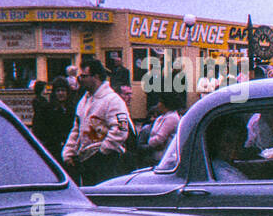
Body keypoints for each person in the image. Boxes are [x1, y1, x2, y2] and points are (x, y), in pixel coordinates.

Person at [62, 58, 131, 186]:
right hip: (86, 160)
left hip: (107, 161)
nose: (80, 79)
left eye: (84, 76)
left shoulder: (113, 100)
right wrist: (68, 152)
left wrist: (103, 151)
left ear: (96, 76)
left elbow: (121, 130)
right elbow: (77, 129)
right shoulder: (84, 100)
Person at [30, 78, 71, 162]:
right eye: (58, 91)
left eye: (63, 90)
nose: (61, 93)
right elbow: (39, 130)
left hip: (69, 151)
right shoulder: (47, 109)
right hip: (53, 150)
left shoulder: (72, 109)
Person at [146, 92, 183, 164]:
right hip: (156, 156)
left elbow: (159, 138)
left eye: (159, 102)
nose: (157, 105)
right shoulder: (161, 118)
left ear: (165, 104)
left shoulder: (172, 118)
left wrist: (151, 142)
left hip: (164, 158)